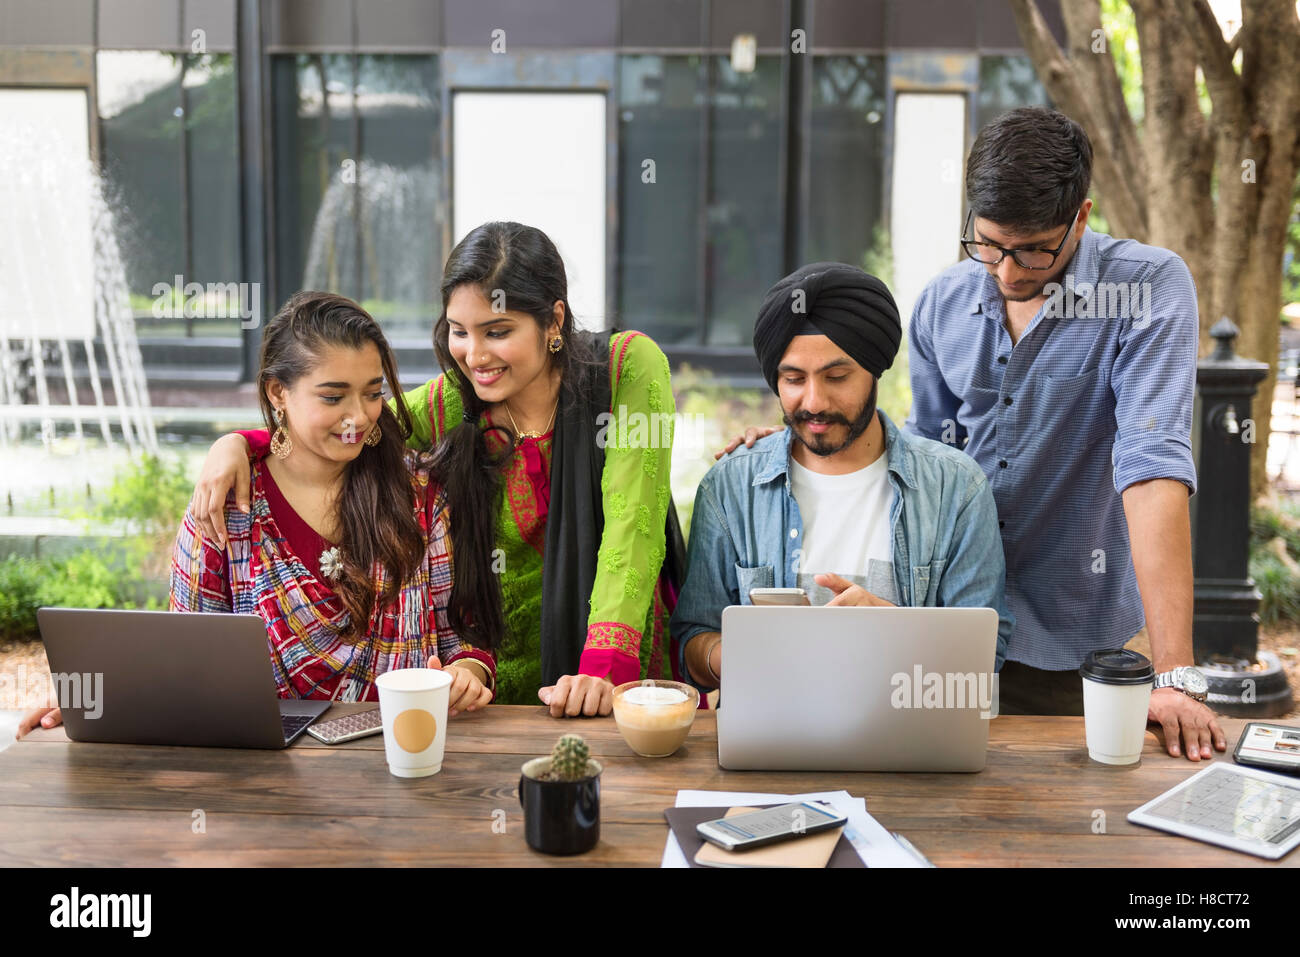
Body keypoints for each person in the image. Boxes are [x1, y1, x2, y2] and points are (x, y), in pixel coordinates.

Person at [184, 222, 683, 717]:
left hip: (613, 679)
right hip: (492, 695)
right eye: (459, 332)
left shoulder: (624, 369)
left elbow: (631, 528)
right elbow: (347, 428)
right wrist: (242, 444)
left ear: (553, 321)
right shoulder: (453, 403)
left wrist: (602, 668)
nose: (475, 355)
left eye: (498, 331)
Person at [19, 292, 493, 737]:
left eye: (372, 393)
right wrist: (100, 699)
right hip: (261, 777)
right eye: (333, 397)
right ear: (277, 393)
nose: (359, 417)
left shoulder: (417, 494)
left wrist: (467, 672)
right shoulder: (227, 507)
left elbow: (463, 634)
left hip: (402, 755)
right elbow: (185, 660)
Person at [905, 107, 1224, 759]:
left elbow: (1152, 466)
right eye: (989, 245)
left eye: (1034, 250)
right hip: (949, 632)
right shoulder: (941, 304)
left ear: (1081, 216)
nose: (1008, 272)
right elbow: (926, 461)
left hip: (1076, 640)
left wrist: (1176, 677)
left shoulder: (1146, 288)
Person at [672, 263, 1011, 691]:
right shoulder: (730, 487)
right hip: (771, 738)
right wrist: (741, 654)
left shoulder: (956, 487)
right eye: (793, 379)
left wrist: (895, 634)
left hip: (906, 740)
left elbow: (985, 655)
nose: (814, 402)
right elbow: (691, 643)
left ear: (875, 371)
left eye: (837, 377)